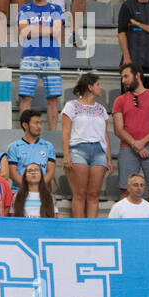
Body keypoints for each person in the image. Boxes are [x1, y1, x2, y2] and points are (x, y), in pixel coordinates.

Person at [113, 63, 149, 216]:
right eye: (122, 77)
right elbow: (118, 129)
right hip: (127, 148)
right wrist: (136, 145)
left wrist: (141, 143)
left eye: (126, 76)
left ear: (137, 75)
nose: (123, 80)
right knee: (125, 190)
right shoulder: (119, 100)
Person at [16, 0, 64, 130]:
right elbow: (24, 32)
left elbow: (57, 32)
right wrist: (48, 29)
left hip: (52, 56)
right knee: (26, 97)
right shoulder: (24, 8)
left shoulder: (55, 8)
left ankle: (52, 133)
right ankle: (26, 132)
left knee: (53, 98)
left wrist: (34, 29)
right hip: (30, 56)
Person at [61, 73, 111, 219]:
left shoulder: (101, 109)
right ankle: (78, 230)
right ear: (90, 87)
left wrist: (108, 158)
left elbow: (105, 135)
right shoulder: (71, 106)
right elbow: (65, 133)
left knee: (94, 194)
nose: (100, 87)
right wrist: (66, 155)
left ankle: (91, 229)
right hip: (78, 149)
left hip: (99, 152)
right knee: (79, 193)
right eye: (98, 84)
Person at [4, 109, 58, 189]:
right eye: (36, 123)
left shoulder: (48, 146)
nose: (39, 126)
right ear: (25, 125)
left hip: (41, 190)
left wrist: (38, 187)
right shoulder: (14, 147)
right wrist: (28, 187)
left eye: (40, 123)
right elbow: (12, 173)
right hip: (19, 191)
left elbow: (50, 171)